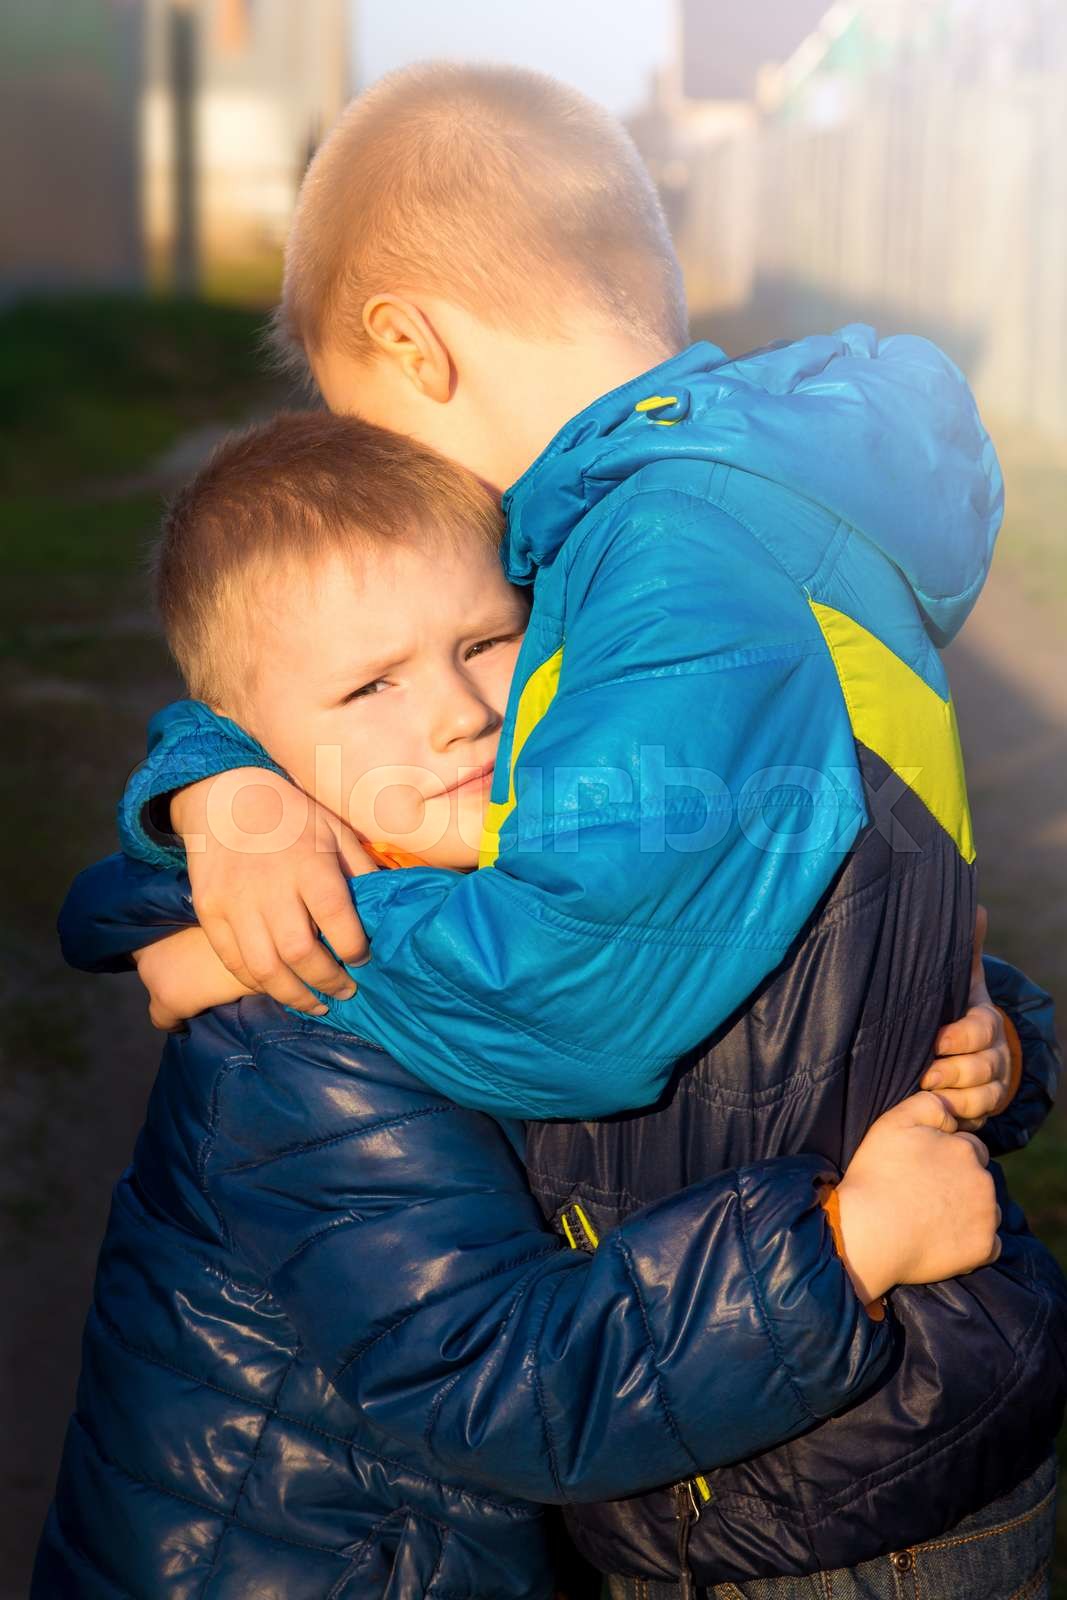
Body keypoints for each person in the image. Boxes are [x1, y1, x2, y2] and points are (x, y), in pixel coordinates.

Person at [69, 65, 1065, 1595]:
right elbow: (807, 917)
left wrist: (268, 952)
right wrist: (215, 784)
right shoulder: (710, 520)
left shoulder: (664, 563)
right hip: (776, 1421)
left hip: (834, 1464)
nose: (465, 710)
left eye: (368, 423)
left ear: (411, 343)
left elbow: (578, 980)